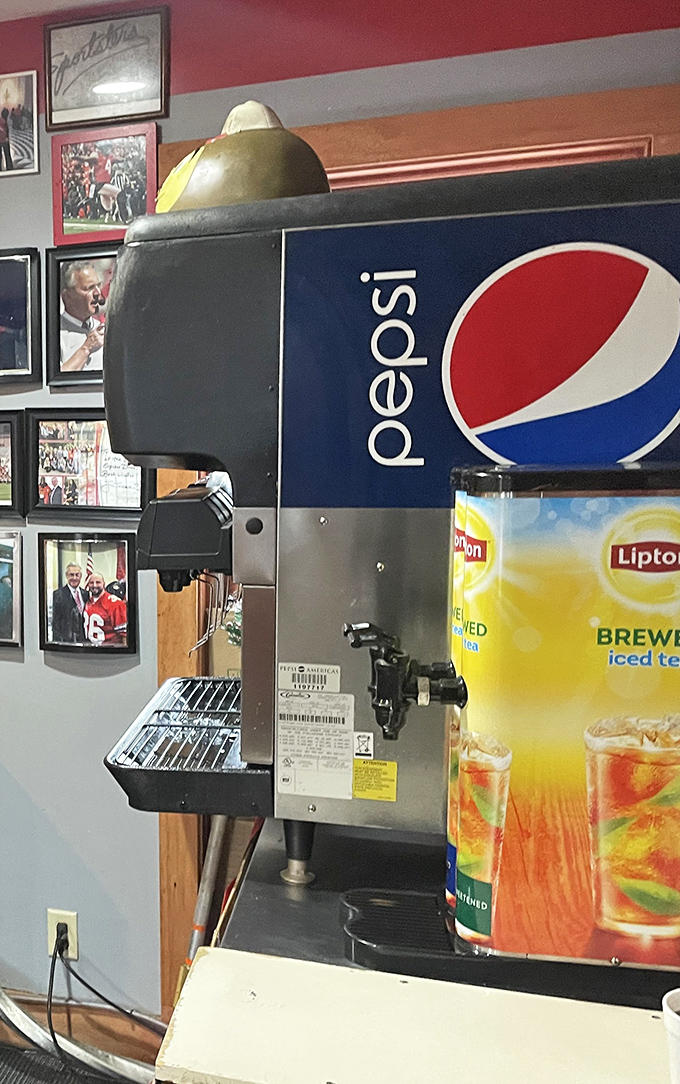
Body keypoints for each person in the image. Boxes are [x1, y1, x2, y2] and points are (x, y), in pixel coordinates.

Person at [59, 262, 106, 373]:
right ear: (67, 296)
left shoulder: (104, 328)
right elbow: (57, 383)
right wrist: (87, 348)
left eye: (98, 286)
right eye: (89, 288)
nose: (98, 293)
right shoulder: (53, 335)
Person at [84, 572, 127, 646]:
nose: (94, 585)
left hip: (110, 649)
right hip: (91, 649)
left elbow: (124, 634)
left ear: (104, 584)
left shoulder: (115, 604)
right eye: (91, 582)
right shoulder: (88, 602)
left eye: (98, 582)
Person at [51, 563, 87, 644]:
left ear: (80, 576)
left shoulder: (86, 594)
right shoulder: (58, 594)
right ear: (66, 576)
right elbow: (56, 623)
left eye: (77, 575)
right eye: (71, 575)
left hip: (84, 641)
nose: (74, 578)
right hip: (67, 641)